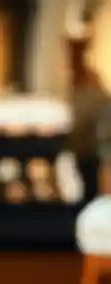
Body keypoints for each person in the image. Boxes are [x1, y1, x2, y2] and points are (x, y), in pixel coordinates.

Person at [66, 37, 111, 203]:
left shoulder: (94, 87)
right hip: (83, 149)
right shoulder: (76, 86)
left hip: (94, 149)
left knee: (93, 191)